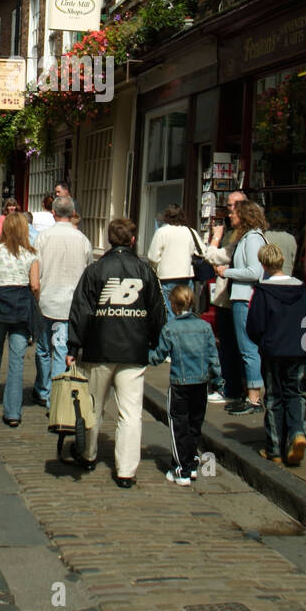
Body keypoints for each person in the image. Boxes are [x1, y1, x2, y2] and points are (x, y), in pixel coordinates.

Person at [66, 217, 166, 488]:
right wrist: (153, 339)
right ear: (133, 240)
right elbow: (158, 311)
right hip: (133, 349)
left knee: (93, 406)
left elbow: (81, 310)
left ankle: (87, 454)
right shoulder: (145, 271)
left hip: (99, 348)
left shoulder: (96, 270)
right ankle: (126, 470)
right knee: (131, 413)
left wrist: (74, 345)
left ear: (111, 239)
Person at [246, 244, 306, 466]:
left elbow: (254, 325)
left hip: (274, 350)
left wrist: (262, 341)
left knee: (274, 397)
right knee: (295, 392)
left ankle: (275, 448)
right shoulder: (301, 289)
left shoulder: (263, 291)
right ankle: (297, 433)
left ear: (263, 264)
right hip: (298, 350)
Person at [148, 284, 221, 485]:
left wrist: (142, 352)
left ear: (173, 305)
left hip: (180, 383)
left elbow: (158, 357)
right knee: (194, 425)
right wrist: (218, 380)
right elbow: (213, 357)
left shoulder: (171, 328)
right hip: (201, 383)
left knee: (178, 425)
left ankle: (182, 470)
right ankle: (191, 462)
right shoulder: (204, 327)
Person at [0, 211, 40, 426]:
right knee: (17, 359)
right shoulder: (31, 254)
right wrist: (35, 302)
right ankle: (13, 411)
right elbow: (35, 285)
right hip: (21, 305)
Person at [33, 196, 93, 407]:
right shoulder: (83, 240)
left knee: (43, 348)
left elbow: (35, 270)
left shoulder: (43, 238)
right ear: (73, 212)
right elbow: (88, 274)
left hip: (45, 301)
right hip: (70, 304)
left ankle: (46, 390)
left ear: (53, 213)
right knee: (60, 349)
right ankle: (53, 394)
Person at [214, 200, 268, 414]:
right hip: (242, 297)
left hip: (245, 299)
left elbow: (255, 272)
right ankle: (250, 395)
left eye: (235, 213)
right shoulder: (247, 238)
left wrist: (226, 272)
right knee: (245, 348)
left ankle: (254, 399)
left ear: (245, 216)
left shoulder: (253, 239)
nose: (231, 216)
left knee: (248, 348)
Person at [203, 194, 246, 403]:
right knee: (230, 344)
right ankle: (232, 386)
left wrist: (215, 237)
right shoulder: (236, 234)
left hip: (234, 297)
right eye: (228, 206)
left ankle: (232, 388)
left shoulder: (241, 237)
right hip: (227, 295)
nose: (230, 211)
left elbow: (214, 256)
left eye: (235, 206)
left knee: (232, 345)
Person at [146, 204, 202, 317]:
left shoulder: (162, 232)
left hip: (167, 278)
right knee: (186, 310)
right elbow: (202, 252)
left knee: (170, 313)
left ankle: (172, 333)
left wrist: (155, 269)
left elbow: (153, 257)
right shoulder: (190, 231)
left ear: (166, 216)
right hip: (186, 276)